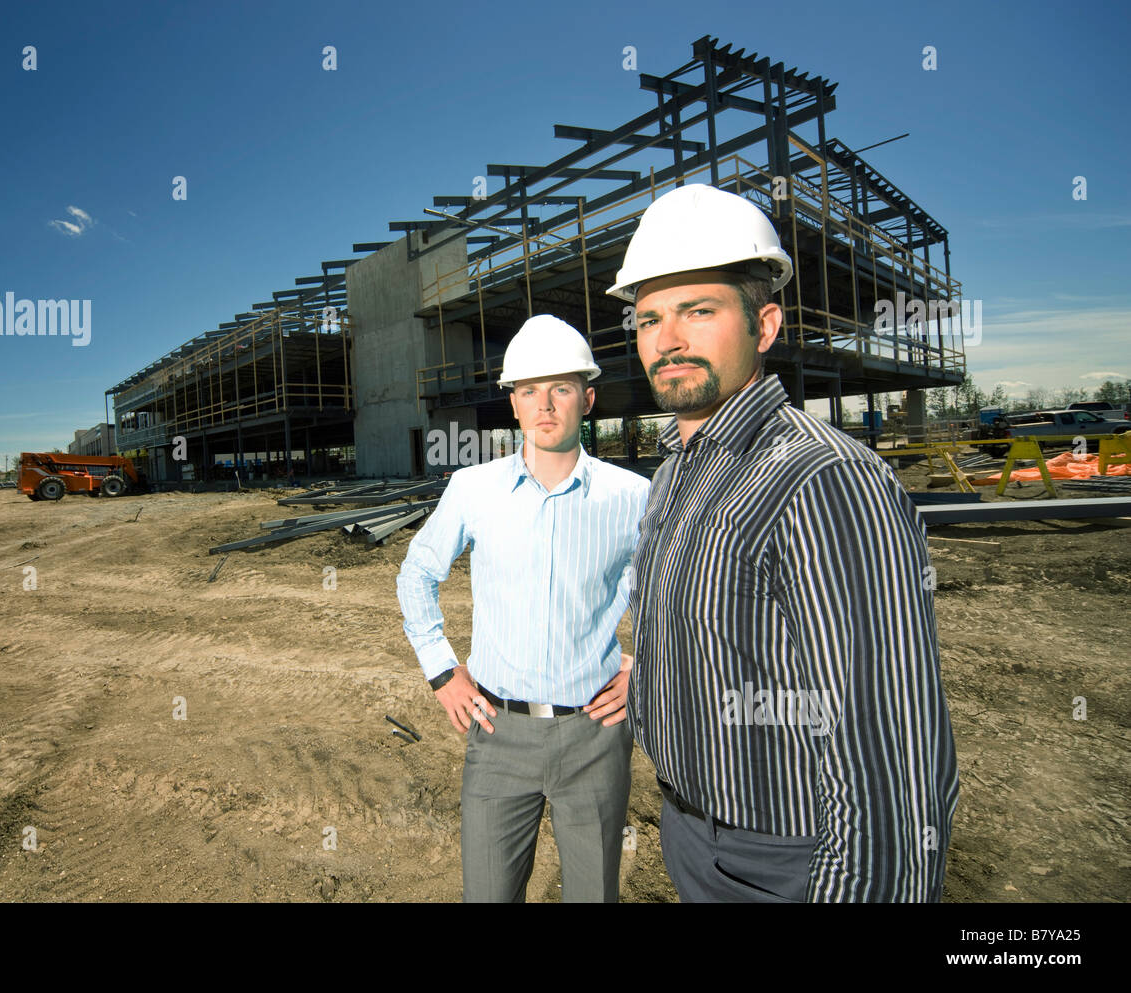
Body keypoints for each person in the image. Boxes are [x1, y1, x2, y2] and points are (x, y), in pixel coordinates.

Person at [606, 184, 959, 902]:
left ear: (764, 326)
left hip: (785, 860)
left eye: (698, 311)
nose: (667, 338)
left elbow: (888, 749)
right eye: (649, 318)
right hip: (690, 835)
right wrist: (651, 682)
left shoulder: (822, 479)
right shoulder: (674, 476)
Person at [396, 315, 650, 902]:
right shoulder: (472, 489)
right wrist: (441, 670)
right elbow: (417, 573)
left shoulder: (632, 497)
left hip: (594, 734)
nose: (546, 404)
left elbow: (668, 596)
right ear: (513, 403)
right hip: (498, 734)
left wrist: (645, 662)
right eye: (530, 390)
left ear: (587, 398)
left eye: (561, 388)